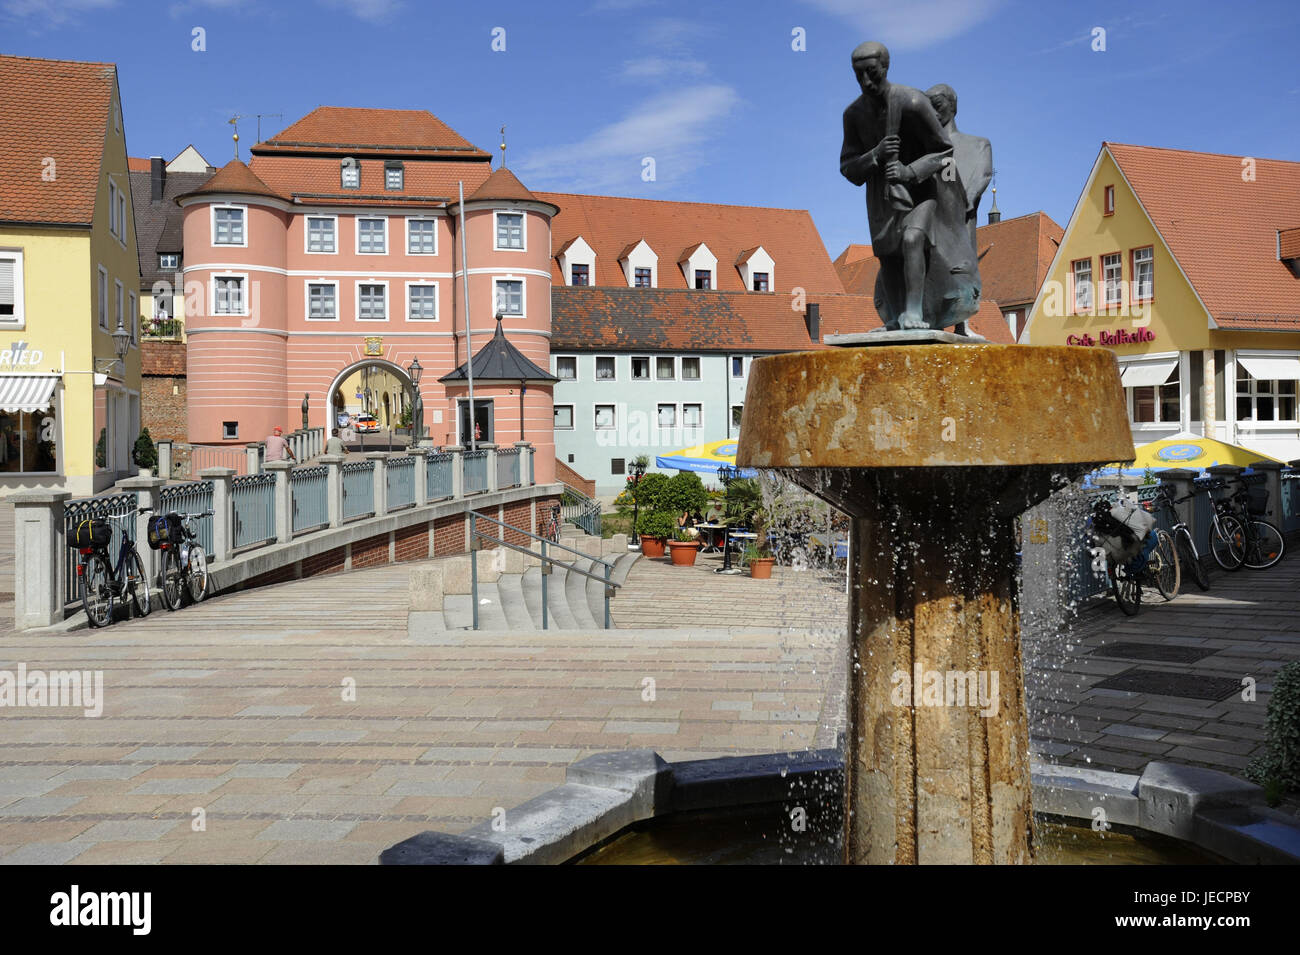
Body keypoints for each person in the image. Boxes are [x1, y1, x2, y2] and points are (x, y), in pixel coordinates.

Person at [839, 41, 977, 331]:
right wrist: (874, 155)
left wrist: (909, 171)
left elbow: (942, 150)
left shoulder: (912, 102)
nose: (866, 81)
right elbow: (848, 168)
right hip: (880, 195)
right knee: (888, 253)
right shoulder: (853, 115)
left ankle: (915, 312)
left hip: (919, 191)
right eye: (859, 75)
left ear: (885, 68)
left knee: (912, 240)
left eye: (872, 72)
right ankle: (895, 316)